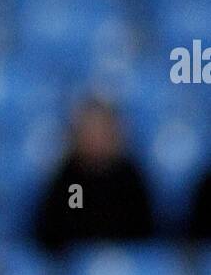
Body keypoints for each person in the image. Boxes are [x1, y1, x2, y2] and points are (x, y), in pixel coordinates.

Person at [33, 98, 154, 251]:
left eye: (102, 130)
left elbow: (144, 232)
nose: (95, 139)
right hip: (75, 264)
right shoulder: (70, 179)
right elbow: (58, 229)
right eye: (89, 131)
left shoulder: (129, 178)